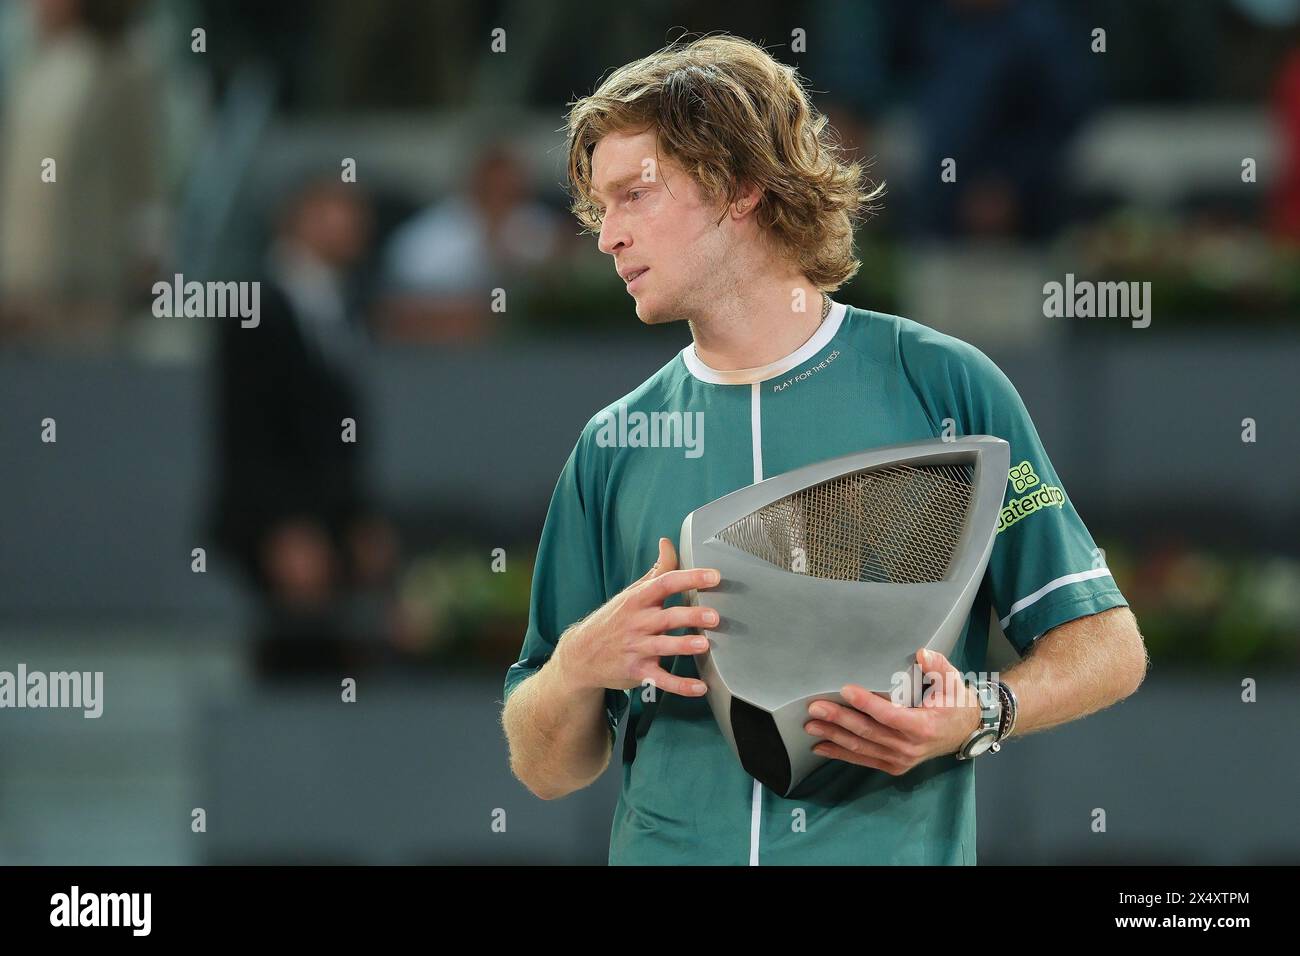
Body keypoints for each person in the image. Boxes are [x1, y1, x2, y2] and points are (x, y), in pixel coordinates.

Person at [500, 35, 1147, 865]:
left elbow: (1107, 645)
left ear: (737, 186)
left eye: (634, 196)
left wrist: (979, 711)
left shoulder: (943, 386)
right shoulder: (612, 442)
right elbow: (545, 766)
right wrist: (581, 665)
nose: (606, 236)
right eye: (601, 206)